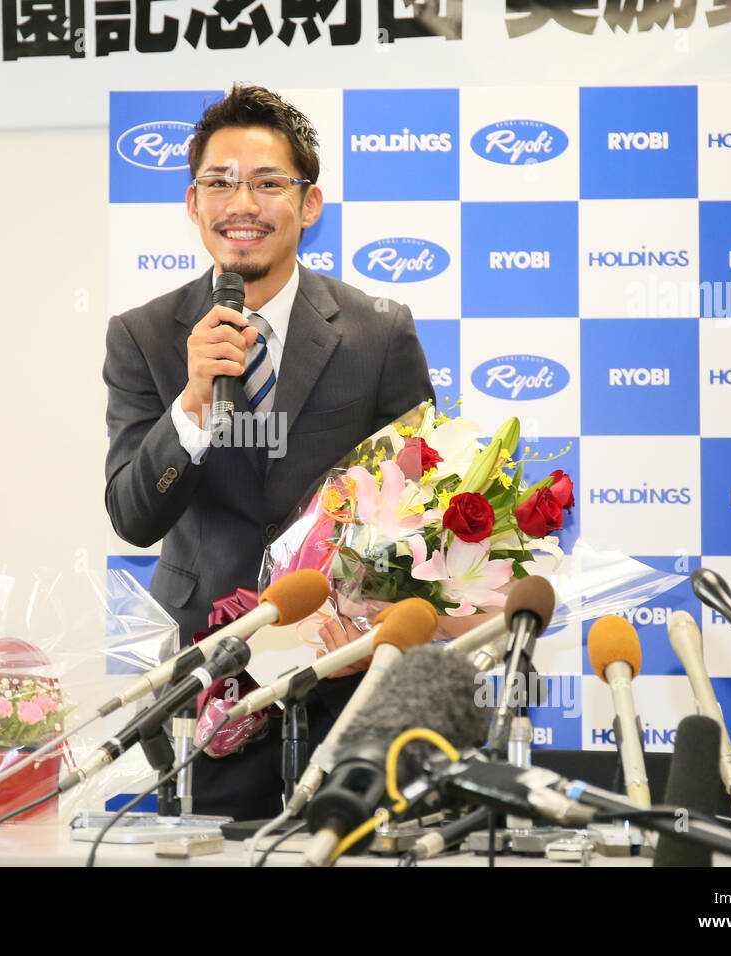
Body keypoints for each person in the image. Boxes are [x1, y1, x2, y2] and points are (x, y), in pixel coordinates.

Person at [103, 84, 434, 820]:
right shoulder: (144, 336)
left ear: (308, 205)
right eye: (219, 183)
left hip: (347, 665)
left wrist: (362, 613)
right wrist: (191, 403)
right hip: (208, 677)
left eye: (266, 182)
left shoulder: (379, 332)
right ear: (193, 204)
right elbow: (131, 515)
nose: (240, 203)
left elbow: (420, 510)